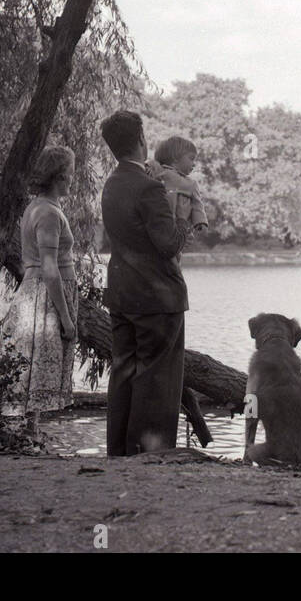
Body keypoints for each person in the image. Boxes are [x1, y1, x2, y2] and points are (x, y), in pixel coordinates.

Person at [99, 109, 192, 456]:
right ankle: (149, 452)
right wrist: (182, 219)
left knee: (124, 373)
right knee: (158, 378)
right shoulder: (150, 188)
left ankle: (120, 450)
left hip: (122, 293)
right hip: (157, 297)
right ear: (141, 140)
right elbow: (167, 244)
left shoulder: (111, 184)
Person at [1, 145, 79, 436]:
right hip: (45, 295)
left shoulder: (39, 206)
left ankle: (29, 432)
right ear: (60, 176)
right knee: (37, 359)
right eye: (71, 172)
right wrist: (66, 317)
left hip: (38, 291)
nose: (73, 177)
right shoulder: (47, 212)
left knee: (34, 361)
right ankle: (28, 432)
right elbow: (49, 267)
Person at [147, 136, 209, 267]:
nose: (194, 163)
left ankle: (174, 267)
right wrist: (147, 167)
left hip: (178, 224)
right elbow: (150, 164)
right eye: (191, 158)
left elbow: (197, 204)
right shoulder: (160, 171)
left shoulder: (190, 183)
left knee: (176, 253)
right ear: (175, 159)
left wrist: (200, 222)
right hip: (161, 221)